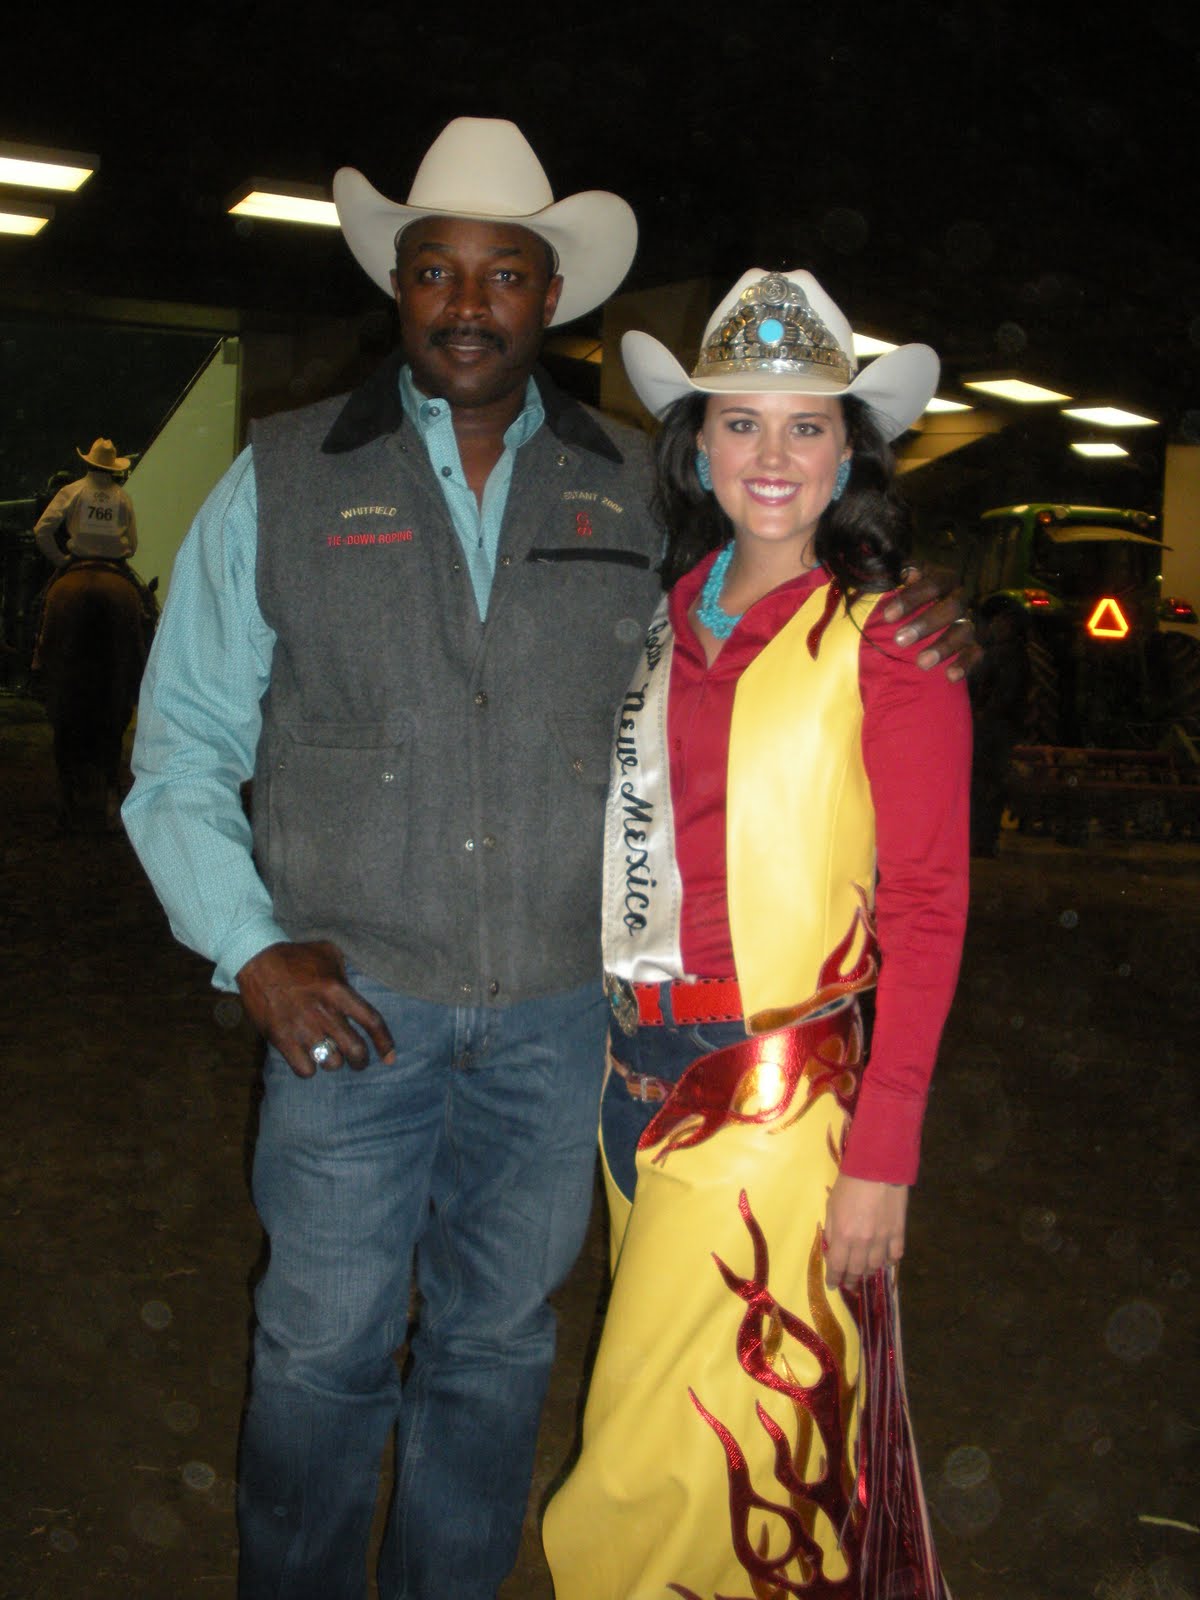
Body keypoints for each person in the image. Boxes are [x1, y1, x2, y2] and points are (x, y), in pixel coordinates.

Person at [121, 120, 974, 1600]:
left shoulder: (641, 488)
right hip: (348, 1012)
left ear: (552, 295)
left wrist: (908, 592)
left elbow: (780, 584)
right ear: (398, 287)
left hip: (564, 1031)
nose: (468, 302)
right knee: (318, 1353)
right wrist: (249, 946)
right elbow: (181, 747)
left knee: (499, 1351)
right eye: (438, 270)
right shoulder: (277, 482)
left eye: (503, 274)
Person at [542, 269, 971, 1599]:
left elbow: (928, 903)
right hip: (633, 1083)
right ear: (696, 446)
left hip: (776, 1104)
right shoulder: (660, 621)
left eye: (806, 425)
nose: (771, 455)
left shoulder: (888, 639)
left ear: (853, 453)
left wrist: (883, 1154)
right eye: (740, 423)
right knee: (733, 1449)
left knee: (651, 1467)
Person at [33, 438, 138, 568]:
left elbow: (41, 530)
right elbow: (133, 546)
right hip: (115, 564)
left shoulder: (71, 491)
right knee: (141, 588)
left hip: (78, 561)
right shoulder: (123, 497)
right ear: (113, 468)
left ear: (88, 463)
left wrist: (60, 560)